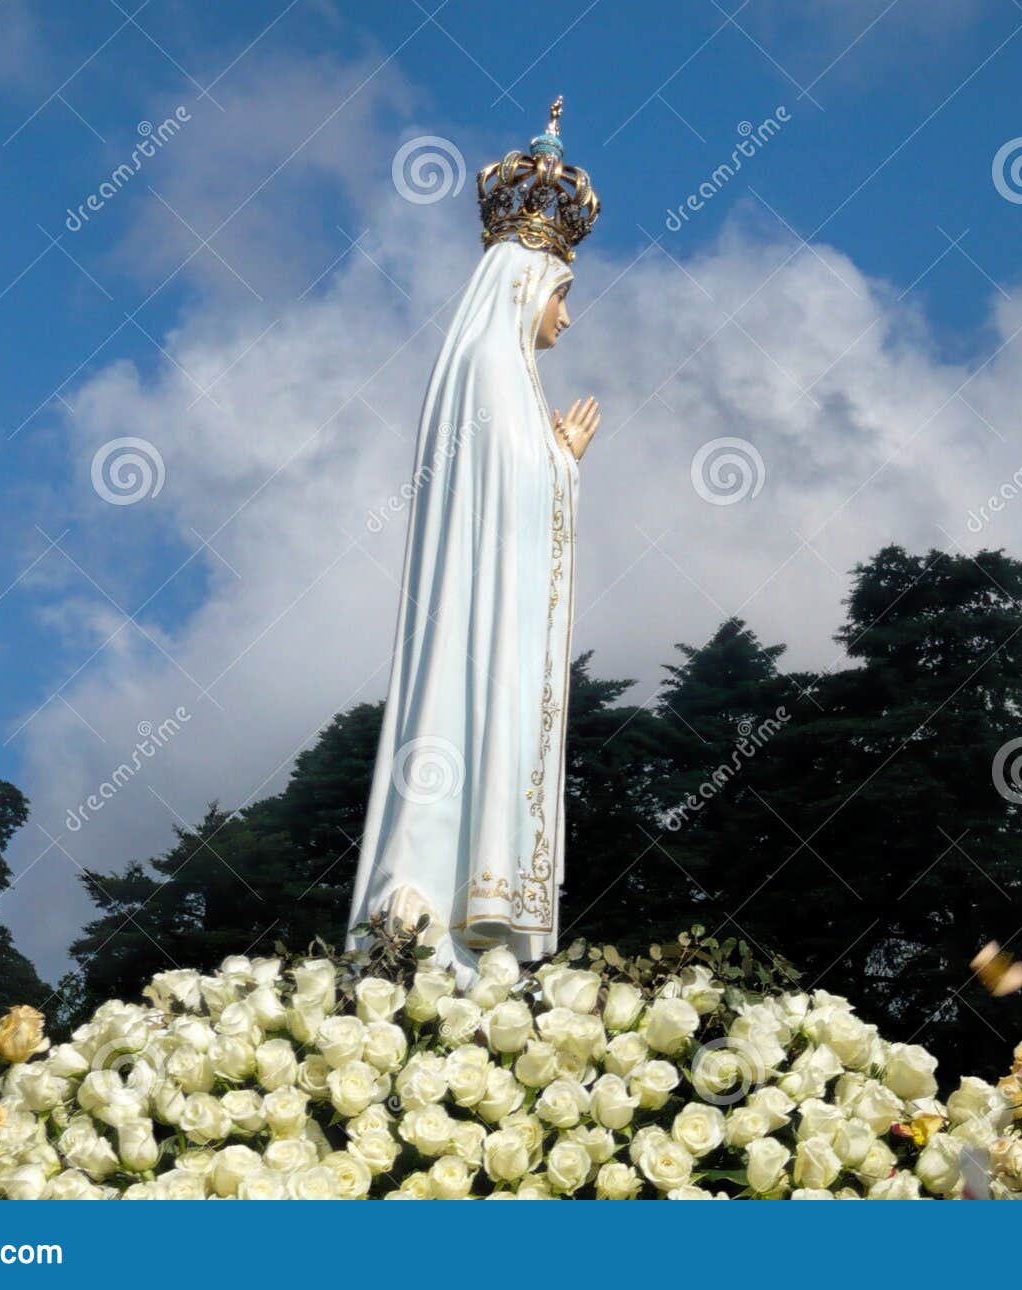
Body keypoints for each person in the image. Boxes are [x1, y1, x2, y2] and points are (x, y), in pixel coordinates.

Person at [346, 99, 602, 984]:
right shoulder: (494, 367)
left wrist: (553, 458)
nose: (567, 319)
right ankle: (439, 919)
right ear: (528, 287)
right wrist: (563, 465)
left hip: (493, 611)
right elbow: (509, 492)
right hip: (479, 623)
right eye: (564, 297)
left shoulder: (502, 373)